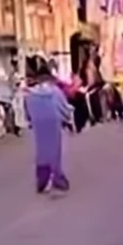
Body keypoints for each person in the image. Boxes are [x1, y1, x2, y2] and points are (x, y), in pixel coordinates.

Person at [24, 63, 74, 192]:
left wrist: (30, 119)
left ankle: (42, 179)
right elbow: (63, 106)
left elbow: (28, 110)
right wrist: (68, 117)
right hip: (53, 121)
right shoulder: (55, 91)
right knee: (55, 150)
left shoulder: (31, 93)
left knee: (41, 149)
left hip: (39, 123)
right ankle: (57, 177)